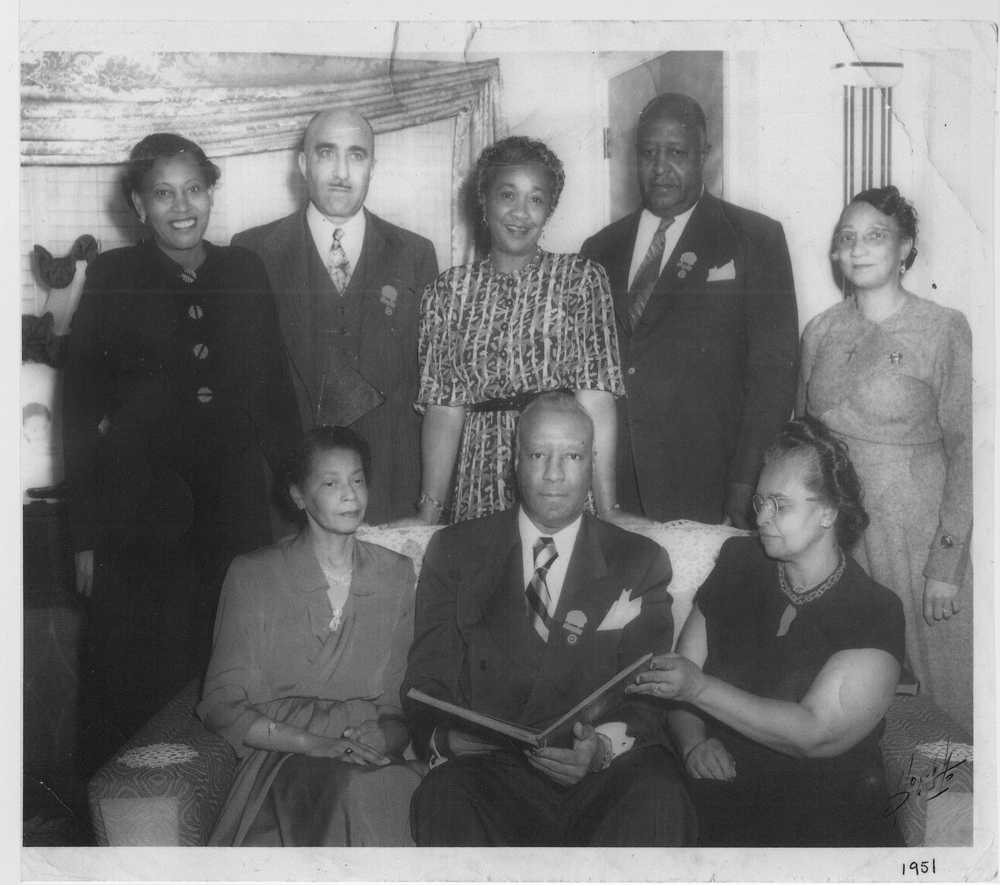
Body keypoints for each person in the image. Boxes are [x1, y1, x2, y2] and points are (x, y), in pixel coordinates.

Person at [62, 133, 301, 770]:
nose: (182, 206)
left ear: (211, 192)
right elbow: (78, 412)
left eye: (194, 188)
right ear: (139, 207)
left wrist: (300, 494)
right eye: (163, 193)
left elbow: (275, 388)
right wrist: (85, 536)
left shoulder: (244, 270)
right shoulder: (114, 276)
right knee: (137, 677)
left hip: (233, 508)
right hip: (139, 518)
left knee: (229, 669)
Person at [402, 392, 695, 846]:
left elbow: (647, 695)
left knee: (658, 792)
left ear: (593, 462)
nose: (554, 474)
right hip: (493, 773)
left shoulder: (639, 560)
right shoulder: (455, 551)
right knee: (443, 797)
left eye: (572, 456)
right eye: (539, 454)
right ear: (514, 461)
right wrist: (449, 741)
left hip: (601, 771)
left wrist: (599, 748)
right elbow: (425, 681)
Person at [629, 416, 905, 846]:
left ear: (830, 511)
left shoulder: (874, 610)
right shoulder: (739, 562)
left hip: (822, 812)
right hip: (719, 791)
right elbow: (682, 676)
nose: (761, 518)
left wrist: (697, 689)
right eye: (759, 503)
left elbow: (814, 734)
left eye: (781, 505)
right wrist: (693, 744)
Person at [798, 186, 973, 731]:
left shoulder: (942, 328)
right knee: (850, 693)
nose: (858, 248)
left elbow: (968, 447)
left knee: (947, 689)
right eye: (846, 238)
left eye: (875, 236)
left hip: (915, 534)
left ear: (906, 248)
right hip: (841, 535)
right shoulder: (821, 330)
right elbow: (799, 440)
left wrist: (946, 564)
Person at [580, 92, 799, 527]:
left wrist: (748, 482)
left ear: (704, 154)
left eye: (677, 152)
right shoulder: (598, 249)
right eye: (648, 153)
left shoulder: (754, 238)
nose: (660, 168)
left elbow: (774, 376)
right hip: (614, 487)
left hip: (712, 485)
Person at [198, 426, 419, 846]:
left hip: (370, 755)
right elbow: (221, 705)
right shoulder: (253, 575)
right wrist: (313, 744)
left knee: (393, 792)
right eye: (331, 483)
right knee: (355, 793)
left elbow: (398, 705)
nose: (350, 495)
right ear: (298, 496)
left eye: (357, 480)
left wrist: (384, 736)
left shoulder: (395, 574)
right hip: (285, 755)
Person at [233, 107, 439, 525]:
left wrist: (426, 503)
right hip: (289, 497)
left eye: (357, 155)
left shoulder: (415, 254)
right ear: (304, 164)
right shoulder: (252, 251)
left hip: (391, 490)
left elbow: (432, 386)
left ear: (373, 166)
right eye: (327, 153)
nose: (342, 171)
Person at [415, 136, 625, 525]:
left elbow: (596, 400)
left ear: (550, 209)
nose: (520, 213)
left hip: (558, 470)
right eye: (507, 195)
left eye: (536, 199)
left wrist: (610, 510)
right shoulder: (445, 293)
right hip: (479, 480)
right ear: (484, 201)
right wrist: (428, 513)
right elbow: (443, 410)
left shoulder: (581, 280)